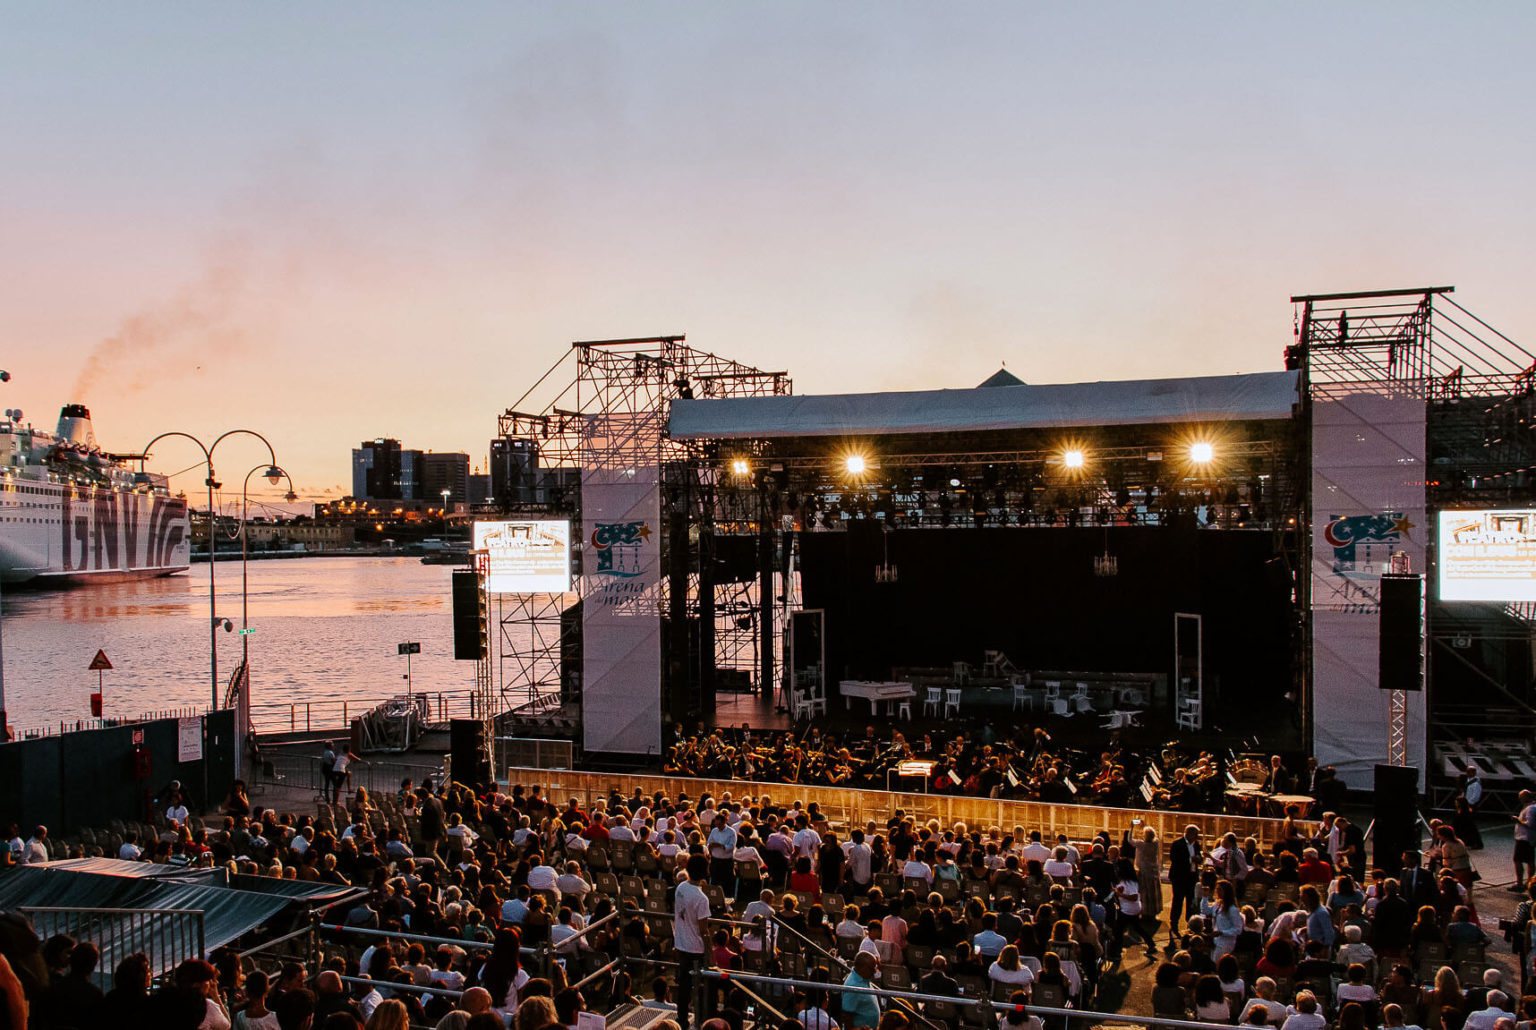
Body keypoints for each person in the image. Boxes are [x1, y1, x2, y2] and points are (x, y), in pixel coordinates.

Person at [674, 856, 713, 1030]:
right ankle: (703, 1019)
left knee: (683, 985)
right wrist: (710, 954)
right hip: (696, 948)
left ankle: (681, 1018)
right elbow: (704, 930)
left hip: (681, 943)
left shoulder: (681, 887)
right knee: (702, 986)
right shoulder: (701, 898)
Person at [1168, 825, 1201, 941]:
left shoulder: (1196, 844)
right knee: (1177, 900)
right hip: (1179, 877)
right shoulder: (1177, 844)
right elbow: (1174, 859)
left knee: (1191, 900)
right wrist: (1189, 860)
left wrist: (1198, 859)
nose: (1197, 837)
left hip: (1192, 877)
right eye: (1195, 834)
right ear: (1189, 834)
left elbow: (1199, 856)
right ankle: (1174, 924)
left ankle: (1190, 923)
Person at [842, 952, 881, 1029]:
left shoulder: (864, 978)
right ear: (862, 968)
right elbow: (847, 1017)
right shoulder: (853, 987)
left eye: (875, 967)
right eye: (871, 968)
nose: (875, 971)